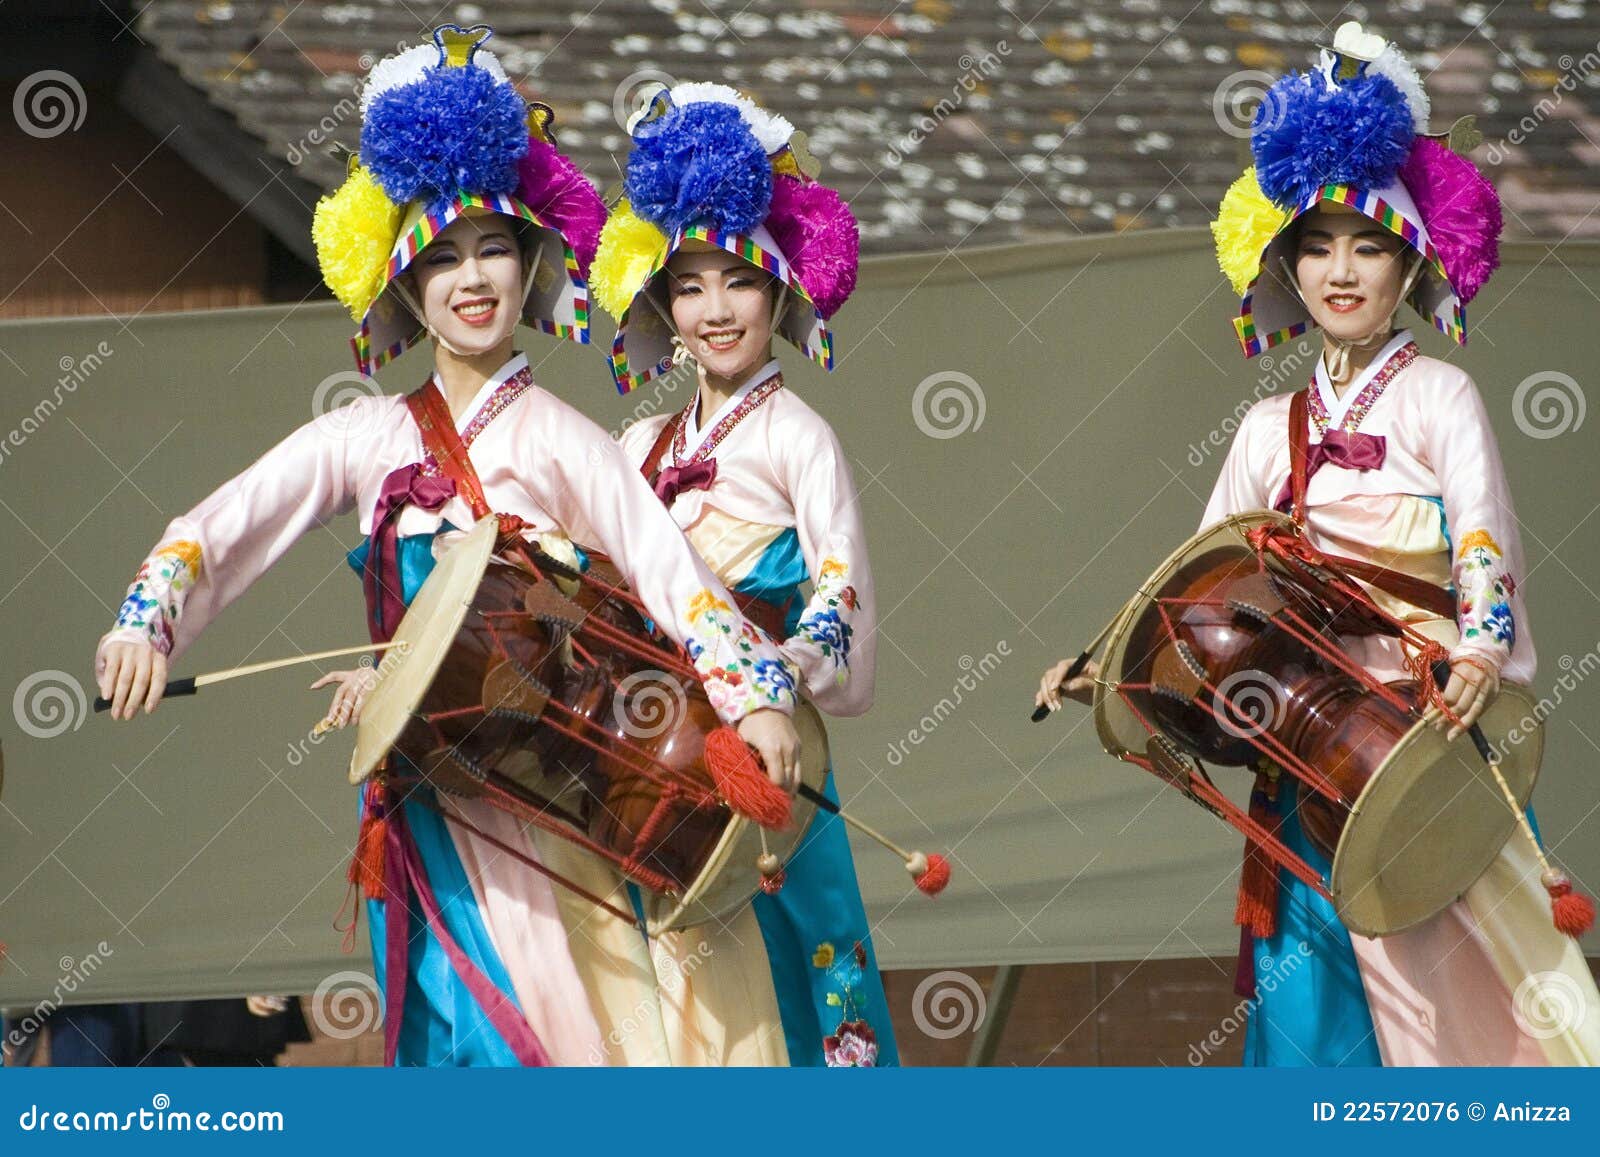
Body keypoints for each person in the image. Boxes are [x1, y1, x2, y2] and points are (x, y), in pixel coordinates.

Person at [93, 24, 803, 1067]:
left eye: (491, 251)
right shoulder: (366, 437)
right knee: (437, 1045)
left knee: (544, 1051)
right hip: (418, 803)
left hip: (545, 808)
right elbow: (219, 525)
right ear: (404, 288)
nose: (470, 278)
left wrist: (756, 702)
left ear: (528, 268)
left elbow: (673, 578)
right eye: (441, 259)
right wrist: (148, 617)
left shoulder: (561, 441)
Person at [1037, 22, 1600, 1065]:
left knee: (1456, 997)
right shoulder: (1262, 428)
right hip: (1306, 742)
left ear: (1410, 263)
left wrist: (1480, 648)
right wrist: (1103, 661)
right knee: (1308, 1003)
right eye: (1319, 246)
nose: (1342, 270)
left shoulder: (1441, 394)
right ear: (1288, 266)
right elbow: (1196, 580)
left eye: (1369, 246)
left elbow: (1483, 534)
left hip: (1421, 733)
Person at [588, 82, 894, 1066]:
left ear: (780, 292)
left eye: (739, 281)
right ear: (660, 305)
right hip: (655, 749)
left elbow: (839, 598)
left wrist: (773, 677)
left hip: (767, 745)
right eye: (689, 285)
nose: (715, 309)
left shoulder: (801, 436)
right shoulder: (637, 437)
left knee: (802, 963)